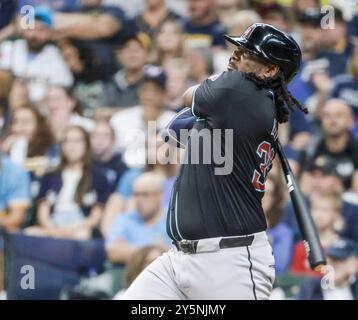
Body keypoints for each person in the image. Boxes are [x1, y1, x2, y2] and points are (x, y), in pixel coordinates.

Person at [121, 23, 306, 300]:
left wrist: (199, 110)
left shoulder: (238, 90)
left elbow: (186, 99)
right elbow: (177, 131)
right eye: (238, 49)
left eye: (247, 53)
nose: (235, 55)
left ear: (269, 70)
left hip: (230, 264)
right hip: (179, 259)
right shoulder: (247, 104)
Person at [26, 126, 110, 240]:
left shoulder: (99, 177)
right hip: (54, 224)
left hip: (81, 226)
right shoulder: (49, 175)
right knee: (30, 233)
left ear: (86, 145)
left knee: (83, 235)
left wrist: (75, 229)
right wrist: (53, 229)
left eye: (77, 141)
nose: (72, 146)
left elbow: (96, 214)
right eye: (67, 141)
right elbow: (43, 210)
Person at [0, 10, 73, 102]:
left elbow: (64, 84)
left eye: (41, 30)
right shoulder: (9, 47)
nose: (35, 35)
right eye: (31, 29)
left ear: (50, 33)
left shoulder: (55, 54)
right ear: (24, 30)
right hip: (6, 104)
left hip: (41, 109)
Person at [110, 65, 175, 168]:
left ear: (165, 94)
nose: (149, 96)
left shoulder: (176, 121)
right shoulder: (120, 119)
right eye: (145, 89)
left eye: (155, 91)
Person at [105, 172, 171, 265]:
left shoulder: (172, 219)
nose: (139, 200)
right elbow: (112, 251)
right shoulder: (125, 219)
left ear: (160, 195)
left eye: (144, 194)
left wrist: (128, 249)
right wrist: (156, 251)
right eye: (136, 195)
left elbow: (180, 253)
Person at [302, 99, 358, 192]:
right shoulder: (312, 148)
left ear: (351, 121)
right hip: (317, 200)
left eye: (338, 115)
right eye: (327, 115)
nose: (332, 120)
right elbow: (305, 189)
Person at [290, 193, 342, 277]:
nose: (319, 215)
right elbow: (295, 278)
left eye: (324, 210)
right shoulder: (301, 247)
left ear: (336, 215)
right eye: (315, 209)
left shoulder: (341, 246)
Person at [101, 33, 150, 118]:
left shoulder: (154, 79)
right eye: (127, 49)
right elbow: (100, 113)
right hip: (118, 128)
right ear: (119, 55)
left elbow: (154, 112)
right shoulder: (112, 82)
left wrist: (117, 112)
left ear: (147, 54)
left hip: (149, 127)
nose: (132, 54)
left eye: (137, 49)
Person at [263, 174, 294, 276]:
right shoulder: (237, 226)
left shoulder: (283, 232)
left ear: (274, 199)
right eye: (260, 192)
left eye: (268, 193)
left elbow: (280, 266)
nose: (262, 198)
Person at [91, 121, 128, 193]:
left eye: (105, 136)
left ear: (113, 140)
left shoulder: (121, 167)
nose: (99, 140)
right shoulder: (84, 164)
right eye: (95, 136)